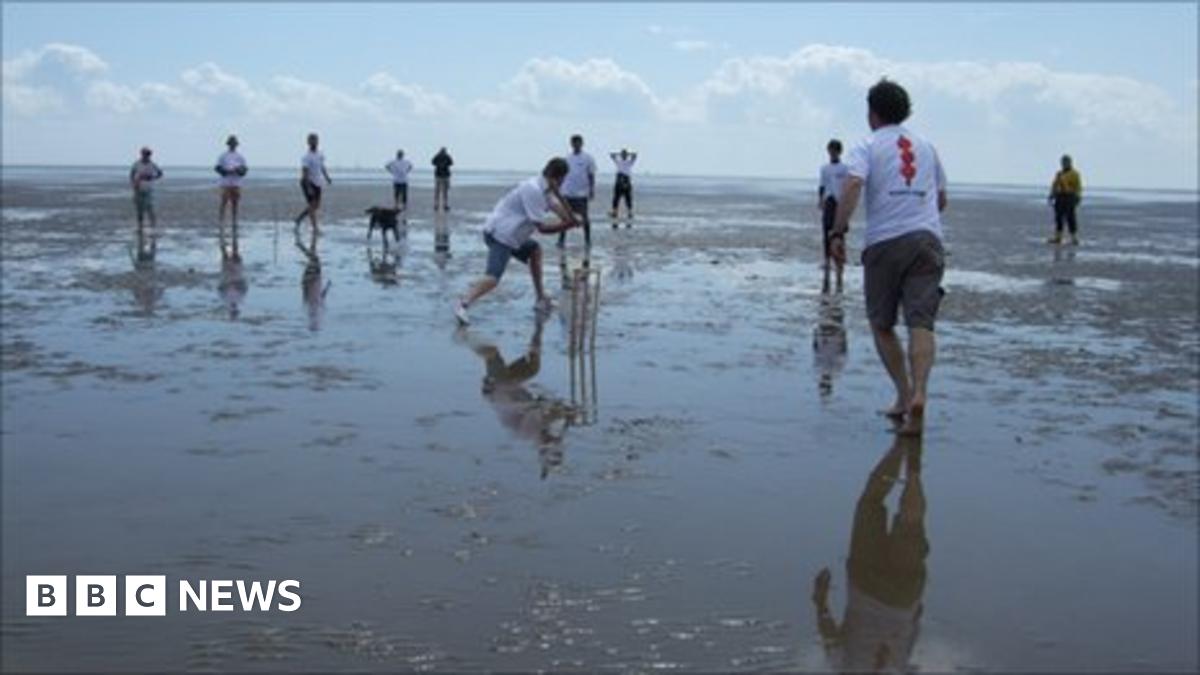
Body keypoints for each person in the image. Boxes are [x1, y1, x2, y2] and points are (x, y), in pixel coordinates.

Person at [831, 79, 947, 436]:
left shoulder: (867, 144)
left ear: (872, 112)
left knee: (882, 324)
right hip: (927, 239)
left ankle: (904, 394)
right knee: (921, 322)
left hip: (885, 242)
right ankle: (920, 394)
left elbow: (852, 185)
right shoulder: (927, 146)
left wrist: (838, 231)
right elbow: (941, 198)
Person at [812, 435, 928, 673]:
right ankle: (900, 446)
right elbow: (830, 636)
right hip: (865, 583)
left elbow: (909, 644)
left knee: (910, 525)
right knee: (870, 502)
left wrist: (915, 613)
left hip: (903, 601)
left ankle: (913, 471)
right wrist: (820, 601)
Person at [454, 158, 581, 325]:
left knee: (535, 250)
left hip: (512, 236)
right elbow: (541, 228)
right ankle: (463, 303)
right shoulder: (534, 190)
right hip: (500, 235)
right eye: (563, 179)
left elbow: (562, 213)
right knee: (493, 278)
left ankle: (540, 299)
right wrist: (568, 225)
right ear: (559, 178)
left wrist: (572, 218)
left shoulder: (548, 190)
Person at [458, 316, 574, 479]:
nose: (554, 439)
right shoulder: (539, 431)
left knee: (492, 353)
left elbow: (542, 411)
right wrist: (565, 414)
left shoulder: (530, 432)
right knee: (532, 367)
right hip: (509, 387)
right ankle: (534, 342)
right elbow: (548, 411)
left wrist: (561, 413)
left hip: (498, 388)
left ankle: (463, 337)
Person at [818, 138, 849, 289]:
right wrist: (820, 200)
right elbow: (822, 185)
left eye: (835, 150)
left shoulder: (845, 169)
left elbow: (848, 186)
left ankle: (839, 265)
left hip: (840, 202)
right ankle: (827, 261)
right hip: (829, 201)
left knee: (839, 234)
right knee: (826, 232)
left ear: (839, 152)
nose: (832, 153)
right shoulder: (825, 168)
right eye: (830, 150)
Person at [558, 134, 597, 248]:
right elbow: (562, 174)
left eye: (578, 142)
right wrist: (559, 189)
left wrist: (591, 189)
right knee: (564, 217)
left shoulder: (588, 158)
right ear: (571, 144)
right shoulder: (567, 158)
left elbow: (591, 175)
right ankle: (561, 240)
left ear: (582, 143)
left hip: (581, 194)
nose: (576, 145)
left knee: (584, 217)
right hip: (567, 192)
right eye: (574, 143)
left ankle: (587, 240)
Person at [294, 132, 332, 233]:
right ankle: (315, 228)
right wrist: (308, 187)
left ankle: (299, 219)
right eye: (312, 140)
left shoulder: (320, 154)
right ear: (308, 143)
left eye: (315, 140)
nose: (314, 142)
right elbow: (304, 173)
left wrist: (327, 177)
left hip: (317, 182)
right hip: (307, 182)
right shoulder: (306, 157)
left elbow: (322, 166)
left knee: (316, 206)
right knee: (312, 205)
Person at [1047, 154, 1083, 245]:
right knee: (1058, 218)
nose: (1064, 164)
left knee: (1071, 218)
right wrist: (1051, 195)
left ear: (1070, 163)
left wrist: (1078, 197)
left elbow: (1078, 186)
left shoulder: (1075, 174)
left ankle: (1074, 238)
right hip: (1060, 197)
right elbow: (1054, 185)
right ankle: (1058, 237)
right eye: (1063, 162)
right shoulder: (1059, 174)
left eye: (1066, 162)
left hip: (1070, 197)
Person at [215, 134, 247, 230]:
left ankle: (234, 220)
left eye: (234, 144)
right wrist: (226, 171)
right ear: (228, 145)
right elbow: (217, 167)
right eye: (231, 144)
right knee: (224, 201)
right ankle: (221, 220)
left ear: (236, 145)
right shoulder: (223, 156)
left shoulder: (240, 157)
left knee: (235, 203)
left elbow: (244, 169)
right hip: (225, 183)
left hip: (236, 183)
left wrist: (238, 170)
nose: (232, 145)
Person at [129, 146, 163, 229]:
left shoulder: (152, 164)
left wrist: (152, 177)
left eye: (148, 154)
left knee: (150, 207)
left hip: (149, 189)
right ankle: (140, 226)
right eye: (145, 154)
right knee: (139, 209)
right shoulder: (137, 164)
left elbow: (160, 173)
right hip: (138, 189)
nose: (146, 156)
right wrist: (134, 183)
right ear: (141, 154)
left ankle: (153, 226)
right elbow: (131, 174)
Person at [609, 148, 637, 222]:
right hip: (619, 178)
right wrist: (618, 154)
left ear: (626, 155)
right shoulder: (618, 161)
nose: (623, 156)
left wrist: (628, 154)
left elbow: (635, 156)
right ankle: (615, 212)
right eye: (623, 154)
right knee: (616, 197)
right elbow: (612, 156)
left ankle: (630, 212)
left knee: (628, 197)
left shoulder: (629, 162)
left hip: (626, 179)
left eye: (625, 155)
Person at [432, 147, 454, 211]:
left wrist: (438, 165)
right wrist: (445, 164)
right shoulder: (447, 156)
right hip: (445, 176)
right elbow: (451, 163)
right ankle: (445, 205)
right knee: (445, 192)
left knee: (437, 191)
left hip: (438, 175)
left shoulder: (437, 156)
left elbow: (433, 162)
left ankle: (436, 205)